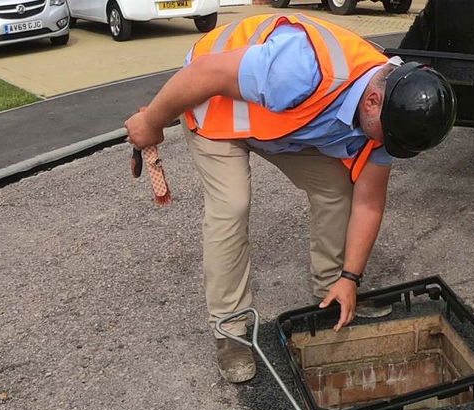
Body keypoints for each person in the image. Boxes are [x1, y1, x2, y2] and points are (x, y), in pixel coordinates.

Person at [123, 14, 456, 383]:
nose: (383, 146)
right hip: (216, 107)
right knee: (232, 204)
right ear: (373, 100)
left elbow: (369, 202)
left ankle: (331, 288)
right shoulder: (300, 69)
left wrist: (351, 278)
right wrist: (152, 121)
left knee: (338, 188)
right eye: (386, 137)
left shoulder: (391, 112)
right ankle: (230, 329)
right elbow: (204, 74)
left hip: (280, 123)